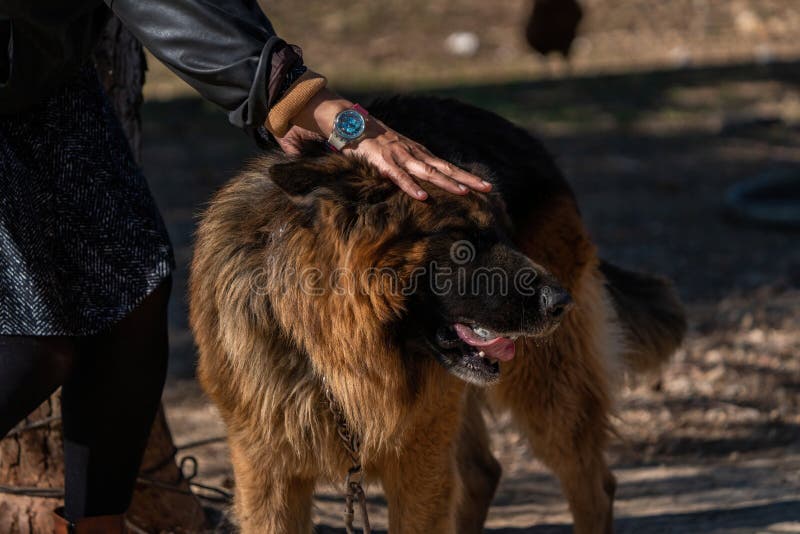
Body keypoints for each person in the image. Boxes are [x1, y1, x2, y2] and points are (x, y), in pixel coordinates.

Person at [0, 1, 491, 532]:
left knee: (130, 299)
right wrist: (304, 98)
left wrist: (282, 98)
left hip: (44, 78)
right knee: (32, 345)